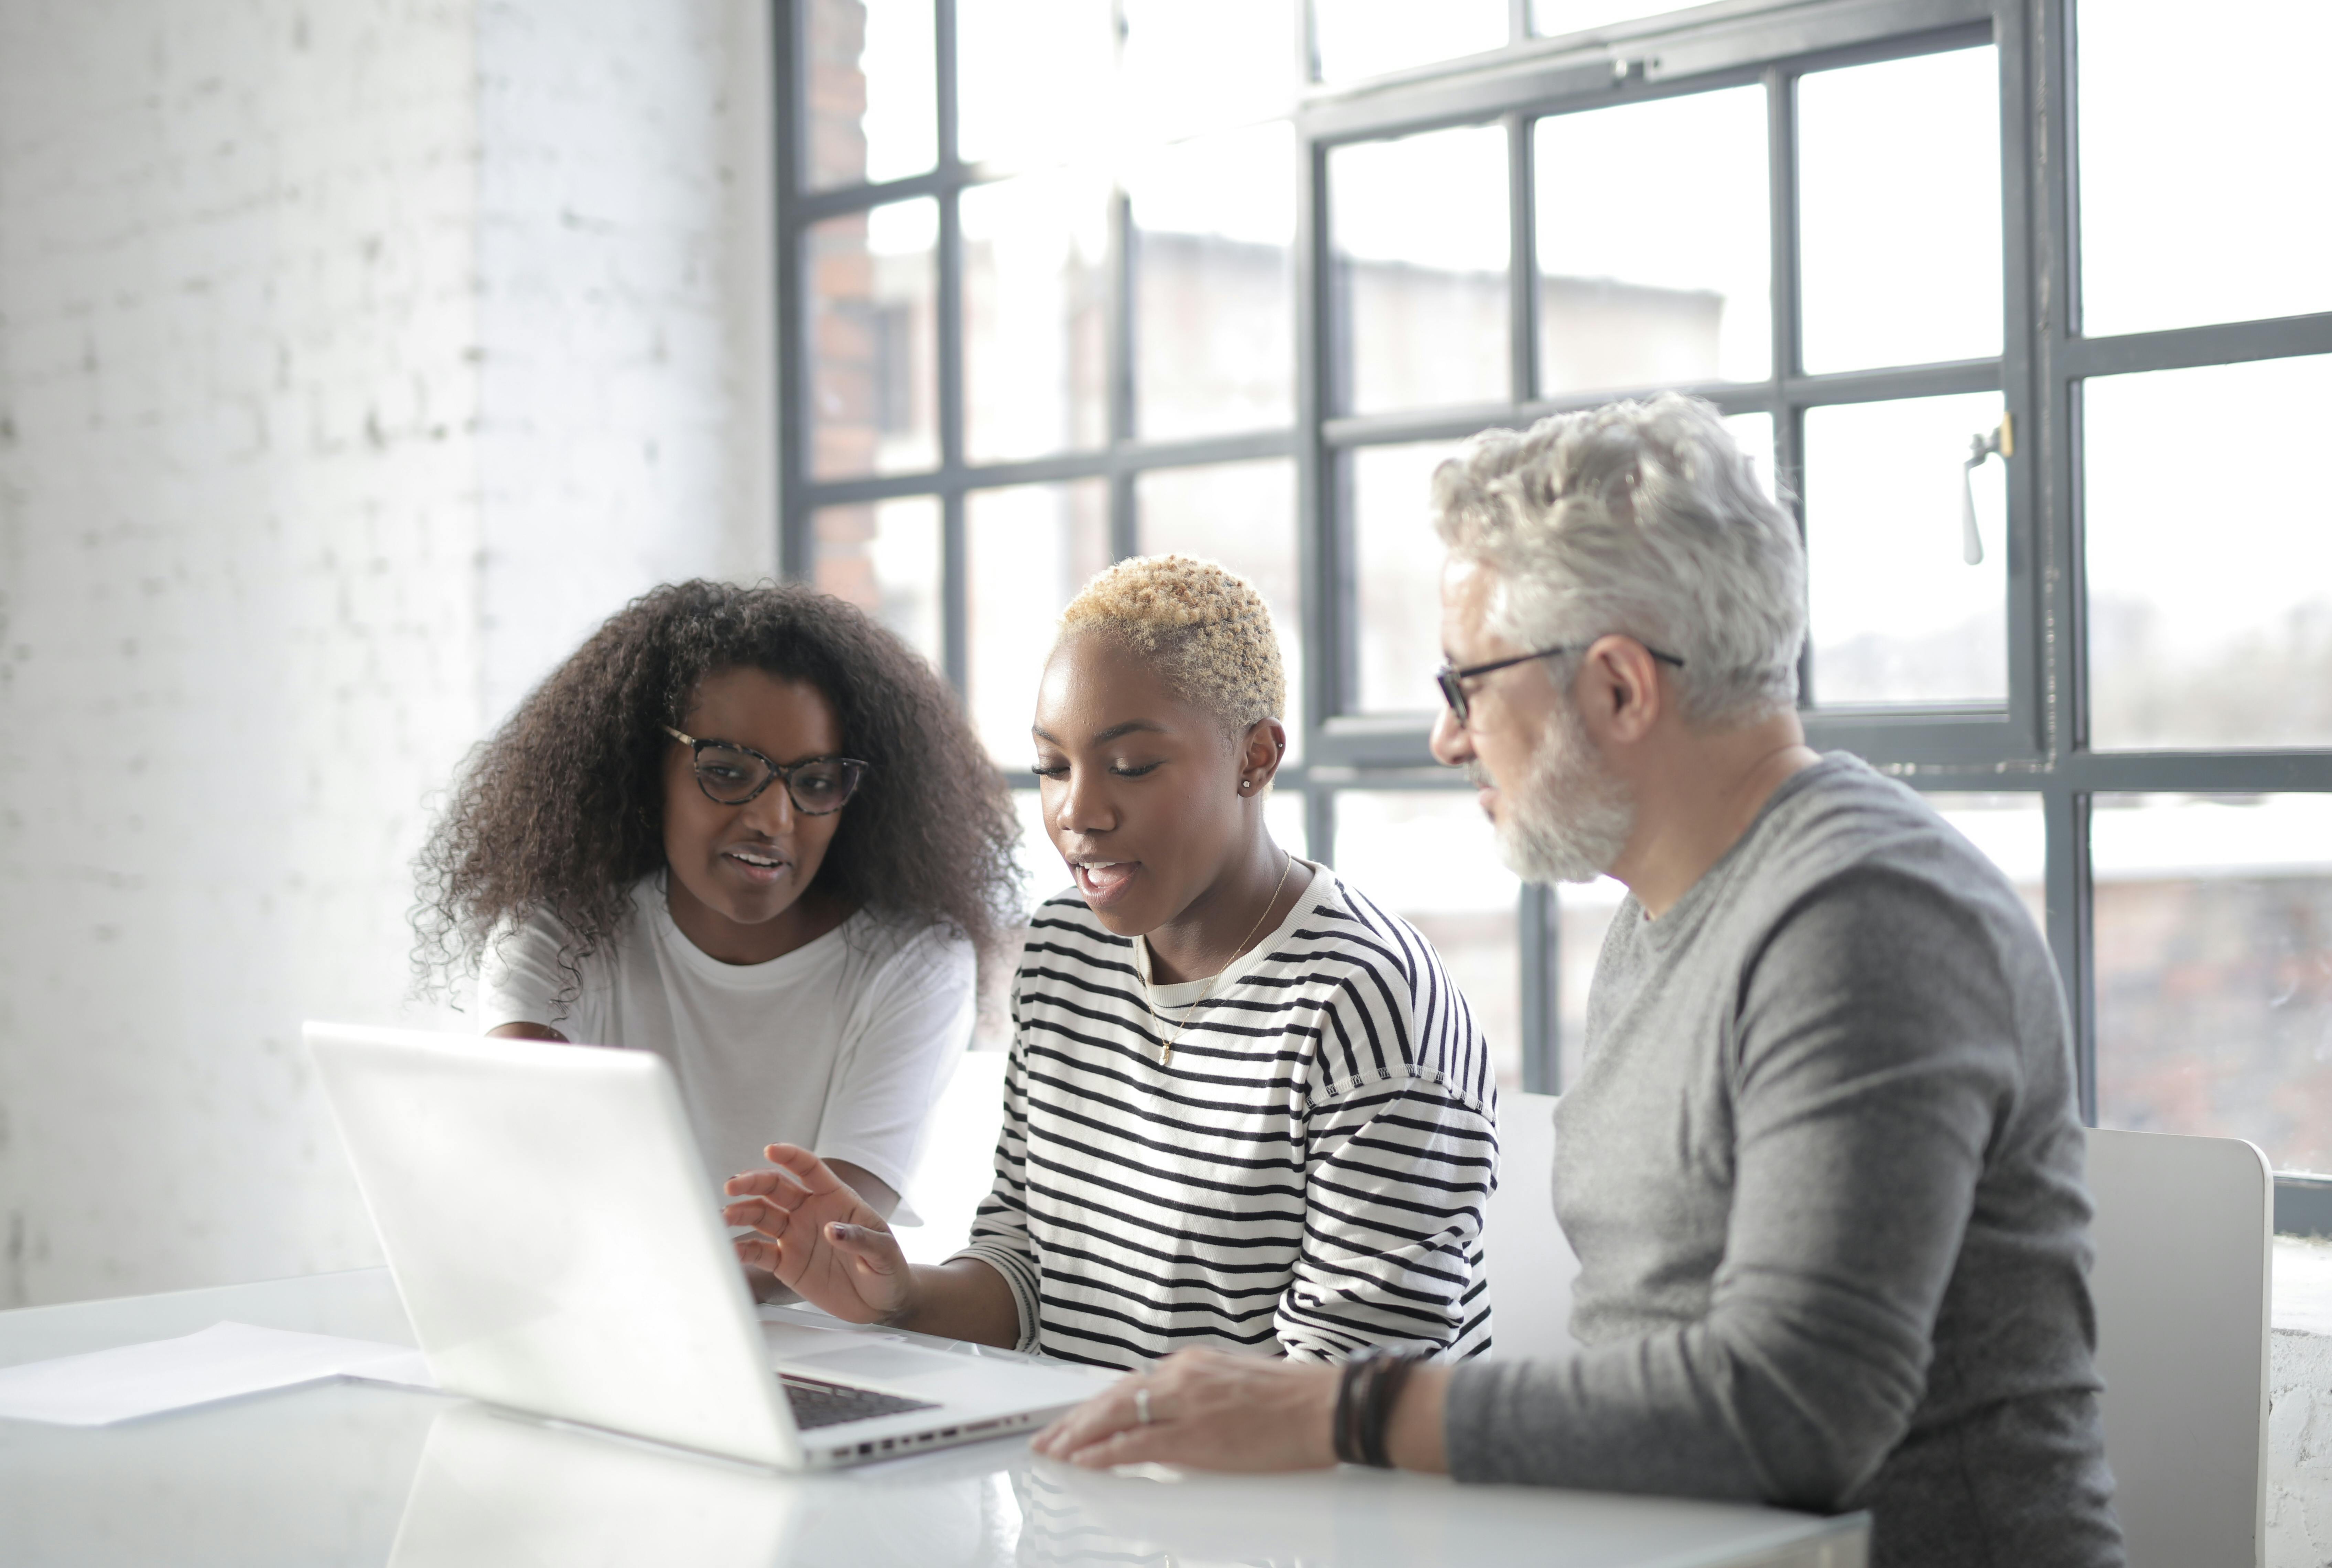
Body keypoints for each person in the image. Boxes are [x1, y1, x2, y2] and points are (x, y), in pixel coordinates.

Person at [1029, 398, 2124, 1568]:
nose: (1450, 740)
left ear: (1617, 688)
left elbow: (1795, 1412)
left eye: (1469, 689)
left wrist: (1331, 1409)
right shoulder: (1663, 915)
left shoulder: (1868, 919)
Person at [723, 555, 1498, 1366]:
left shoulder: (1366, 1004)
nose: (1076, 812)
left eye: (1130, 767)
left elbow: (1355, 1395)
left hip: (1279, 1486)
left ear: (1256, 759)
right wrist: (902, 1296)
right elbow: (1027, 1272)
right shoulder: (1065, 949)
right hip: (1082, 1472)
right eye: (1053, 768)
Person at [414, 579, 1020, 1255]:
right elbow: (521, 1176)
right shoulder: (559, 935)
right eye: (728, 772)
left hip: (818, 1355)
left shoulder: (913, 961)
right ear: (647, 771)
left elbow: (820, 1244)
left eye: (816, 783)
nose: (773, 819)